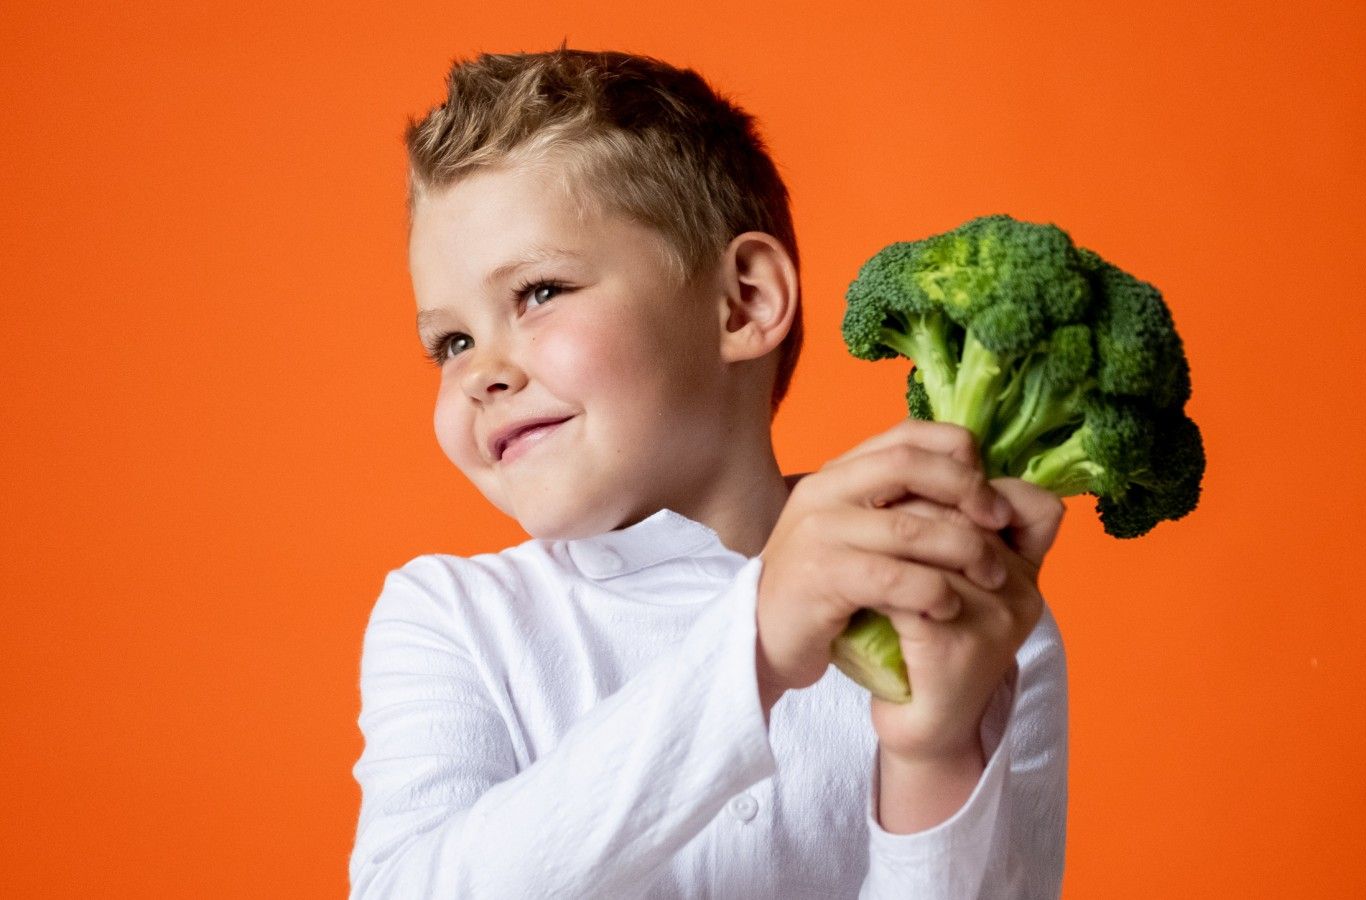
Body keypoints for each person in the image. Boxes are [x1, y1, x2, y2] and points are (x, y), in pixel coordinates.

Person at [349, 42, 1068, 899]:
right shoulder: (452, 620)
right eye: (451, 341)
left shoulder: (966, 609)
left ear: (744, 302)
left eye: (539, 292)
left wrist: (934, 754)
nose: (479, 372)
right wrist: (753, 646)